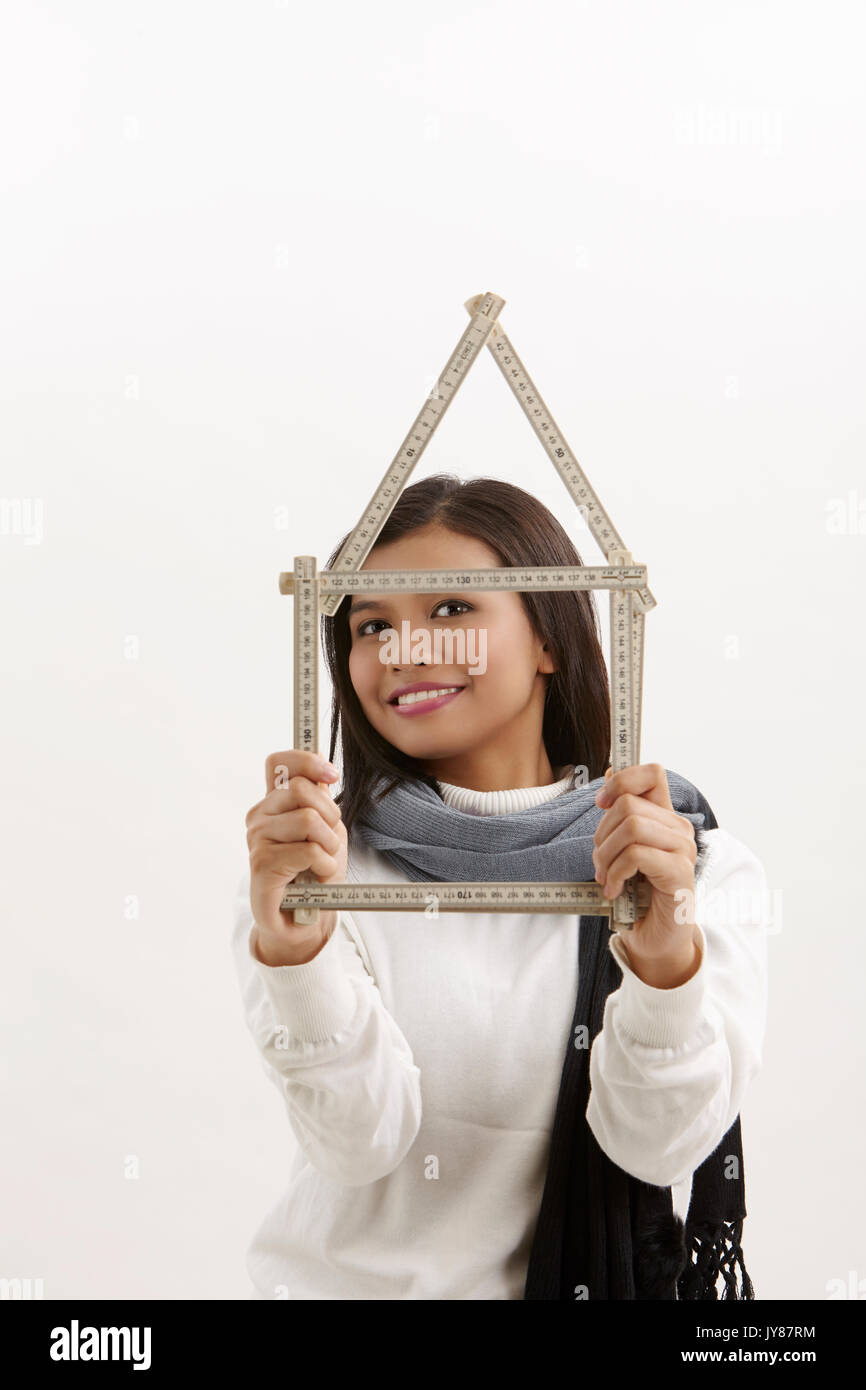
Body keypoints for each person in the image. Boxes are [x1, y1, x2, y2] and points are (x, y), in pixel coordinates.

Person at [231, 474, 768, 1300]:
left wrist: (664, 965)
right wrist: (297, 957)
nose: (406, 652)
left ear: (548, 637)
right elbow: (356, 1145)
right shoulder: (316, 870)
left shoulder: (685, 867)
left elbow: (656, 1149)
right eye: (373, 624)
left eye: (451, 611)